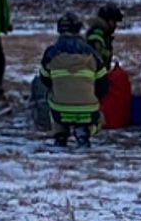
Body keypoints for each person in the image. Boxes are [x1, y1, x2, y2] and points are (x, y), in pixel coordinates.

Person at [39, 12, 105, 148]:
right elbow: (103, 85)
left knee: (51, 95)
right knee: (99, 117)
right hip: (89, 108)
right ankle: (85, 130)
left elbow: (44, 80)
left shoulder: (51, 53)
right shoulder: (92, 53)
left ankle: (60, 135)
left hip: (59, 109)